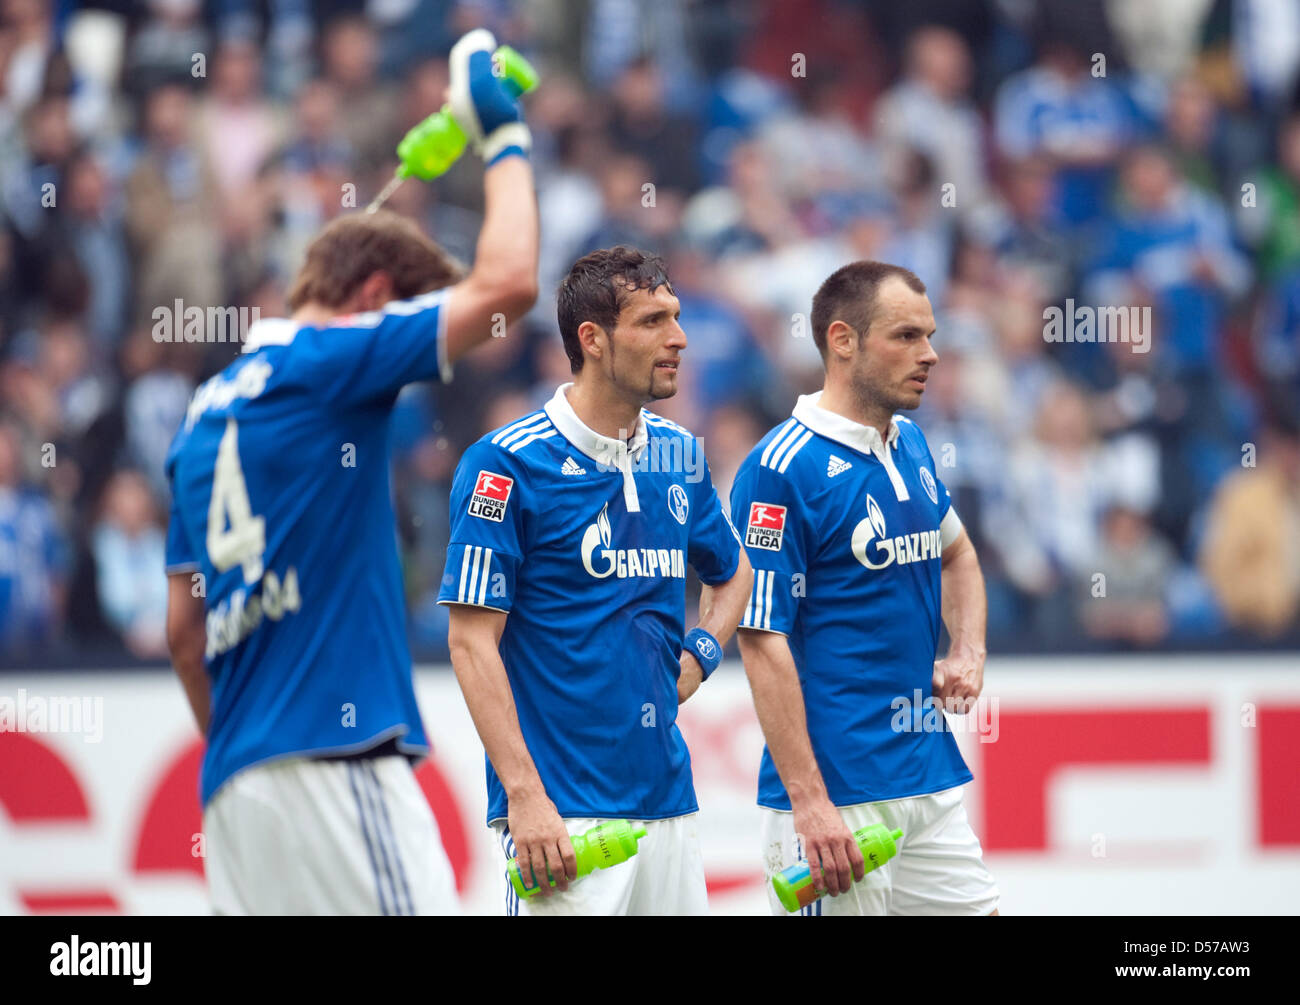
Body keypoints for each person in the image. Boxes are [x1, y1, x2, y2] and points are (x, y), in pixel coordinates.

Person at [163, 28, 538, 915]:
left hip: (236, 792)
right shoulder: (331, 357)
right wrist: (505, 134)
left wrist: (247, 747)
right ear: (373, 298)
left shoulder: (201, 414)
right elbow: (511, 284)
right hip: (337, 758)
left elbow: (186, 632)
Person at [438, 246, 753, 915]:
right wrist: (525, 797)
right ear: (594, 339)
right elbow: (470, 642)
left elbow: (733, 574)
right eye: (653, 321)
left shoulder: (680, 452)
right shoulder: (506, 464)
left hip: (669, 804)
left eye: (676, 316)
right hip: (565, 819)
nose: (679, 336)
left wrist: (699, 656)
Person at [731, 261, 1000, 916]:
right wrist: (810, 803)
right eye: (906, 336)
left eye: (929, 335)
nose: (930, 354)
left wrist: (968, 648)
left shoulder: (907, 442)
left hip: (925, 772)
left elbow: (958, 553)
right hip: (840, 792)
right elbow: (761, 642)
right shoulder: (779, 469)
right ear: (843, 340)